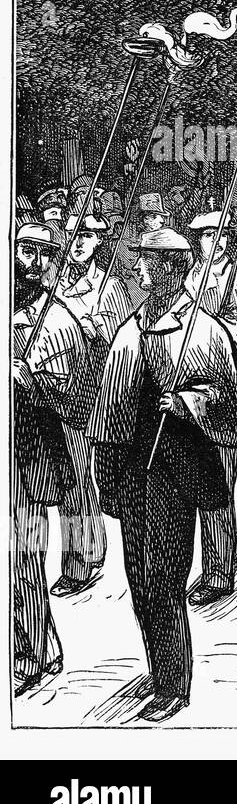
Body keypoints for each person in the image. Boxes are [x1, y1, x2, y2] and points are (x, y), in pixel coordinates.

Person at [88, 227, 237, 722]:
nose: (138, 269)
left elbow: (234, 410)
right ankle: (160, 670)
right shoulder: (131, 328)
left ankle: (173, 685)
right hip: (132, 471)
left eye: (148, 262)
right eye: (139, 260)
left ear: (172, 270)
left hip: (174, 478)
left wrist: (187, 402)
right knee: (140, 581)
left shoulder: (205, 331)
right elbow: (109, 406)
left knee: (163, 580)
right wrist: (107, 469)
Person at [13, 222, 90, 696]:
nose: (35, 263)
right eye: (26, 251)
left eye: (44, 254)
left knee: (23, 551)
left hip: (31, 452)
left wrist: (31, 379)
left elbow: (74, 398)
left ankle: (33, 651)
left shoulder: (57, 320)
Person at [184, 202, 237, 607]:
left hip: (222, 392)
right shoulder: (191, 277)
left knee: (216, 484)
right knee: (203, 478)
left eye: (216, 234)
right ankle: (231, 548)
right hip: (190, 391)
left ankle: (219, 573)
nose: (210, 242)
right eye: (202, 235)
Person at [51, 208, 134, 595]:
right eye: (74, 232)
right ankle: (80, 553)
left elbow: (123, 345)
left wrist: (95, 328)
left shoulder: (110, 286)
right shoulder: (52, 282)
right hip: (55, 390)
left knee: (84, 476)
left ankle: (84, 558)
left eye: (89, 234)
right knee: (68, 478)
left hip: (93, 392)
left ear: (101, 240)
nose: (80, 241)